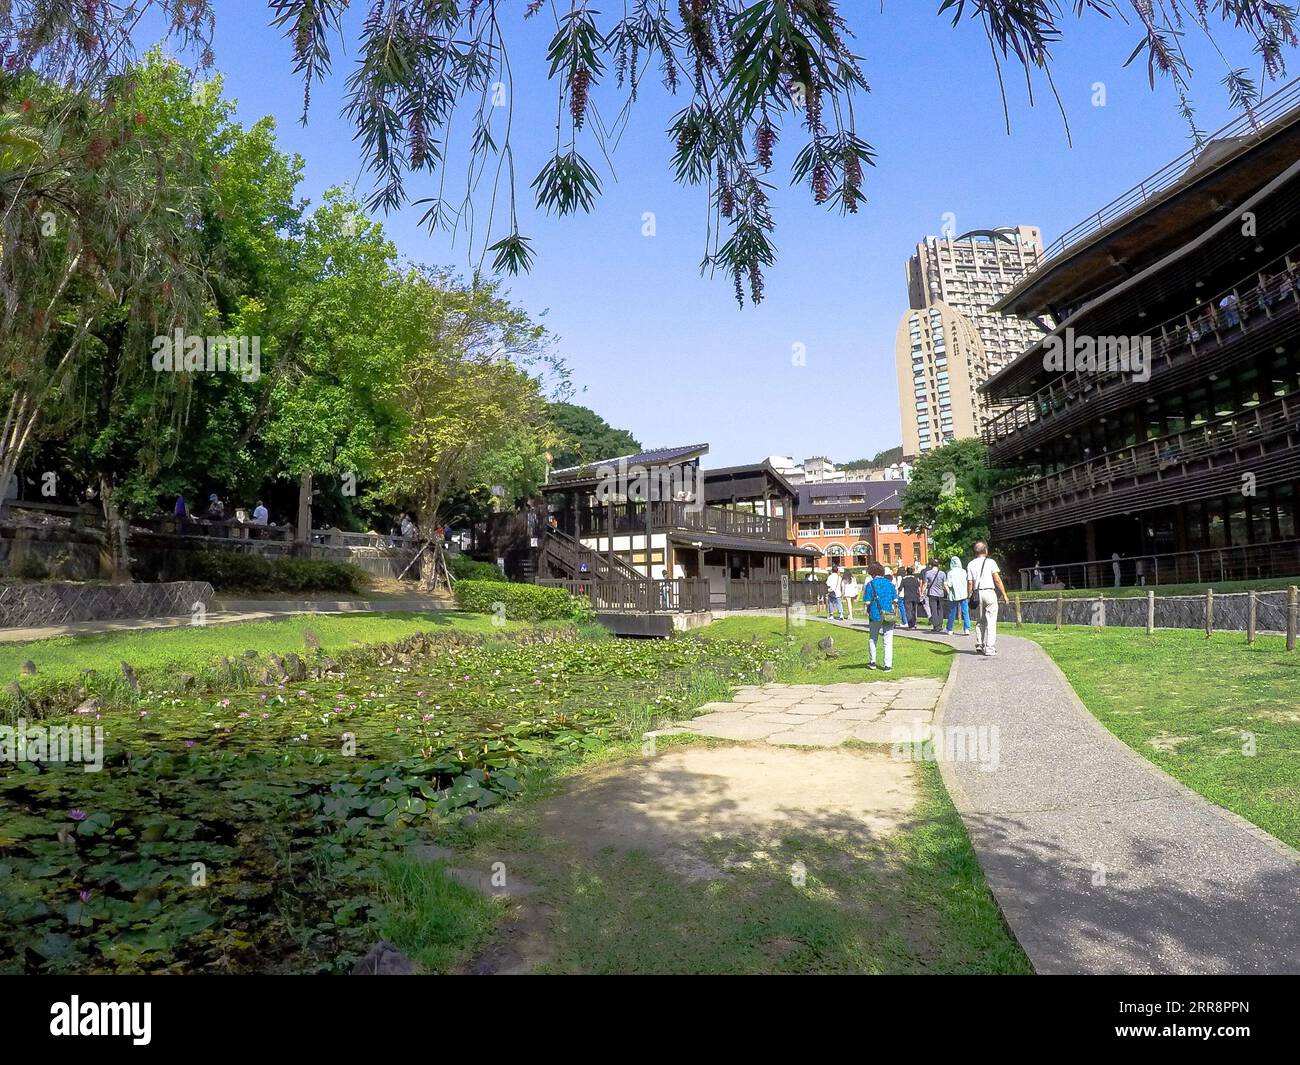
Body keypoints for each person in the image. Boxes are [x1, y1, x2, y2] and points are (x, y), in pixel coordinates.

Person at [967, 541, 1010, 657]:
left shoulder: (970, 564)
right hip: (989, 592)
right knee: (991, 621)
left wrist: (969, 595)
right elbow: (997, 579)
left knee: (980, 620)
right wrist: (1004, 594)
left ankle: (980, 644)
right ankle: (990, 648)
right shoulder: (991, 562)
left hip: (977, 593)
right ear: (985, 550)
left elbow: (970, 582)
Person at [864, 562, 898, 672]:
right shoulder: (890, 584)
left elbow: (867, 602)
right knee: (888, 640)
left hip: (874, 615)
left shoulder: (870, 585)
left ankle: (872, 662)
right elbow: (895, 600)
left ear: (871, 573)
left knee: (873, 638)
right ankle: (887, 665)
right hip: (888, 615)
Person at [943, 555, 971, 635]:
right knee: (965, 612)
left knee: (952, 612)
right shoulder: (964, 572)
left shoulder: (950, 573)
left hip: (953, 595)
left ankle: (950, 629)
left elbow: (949, 584)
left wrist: (948, 591)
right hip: (963, 594)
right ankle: (967, 629)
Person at [924, 559, 947, 634]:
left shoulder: (928, 573)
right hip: (940, 594)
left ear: (931, 565)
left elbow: (925, 584)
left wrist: (922, 592)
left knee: (933, 610)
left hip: (932, 594)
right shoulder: (942, 573)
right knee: (940, 609)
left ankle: (936, 626)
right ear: (938, 565)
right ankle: (940, 625)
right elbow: (944, 584)